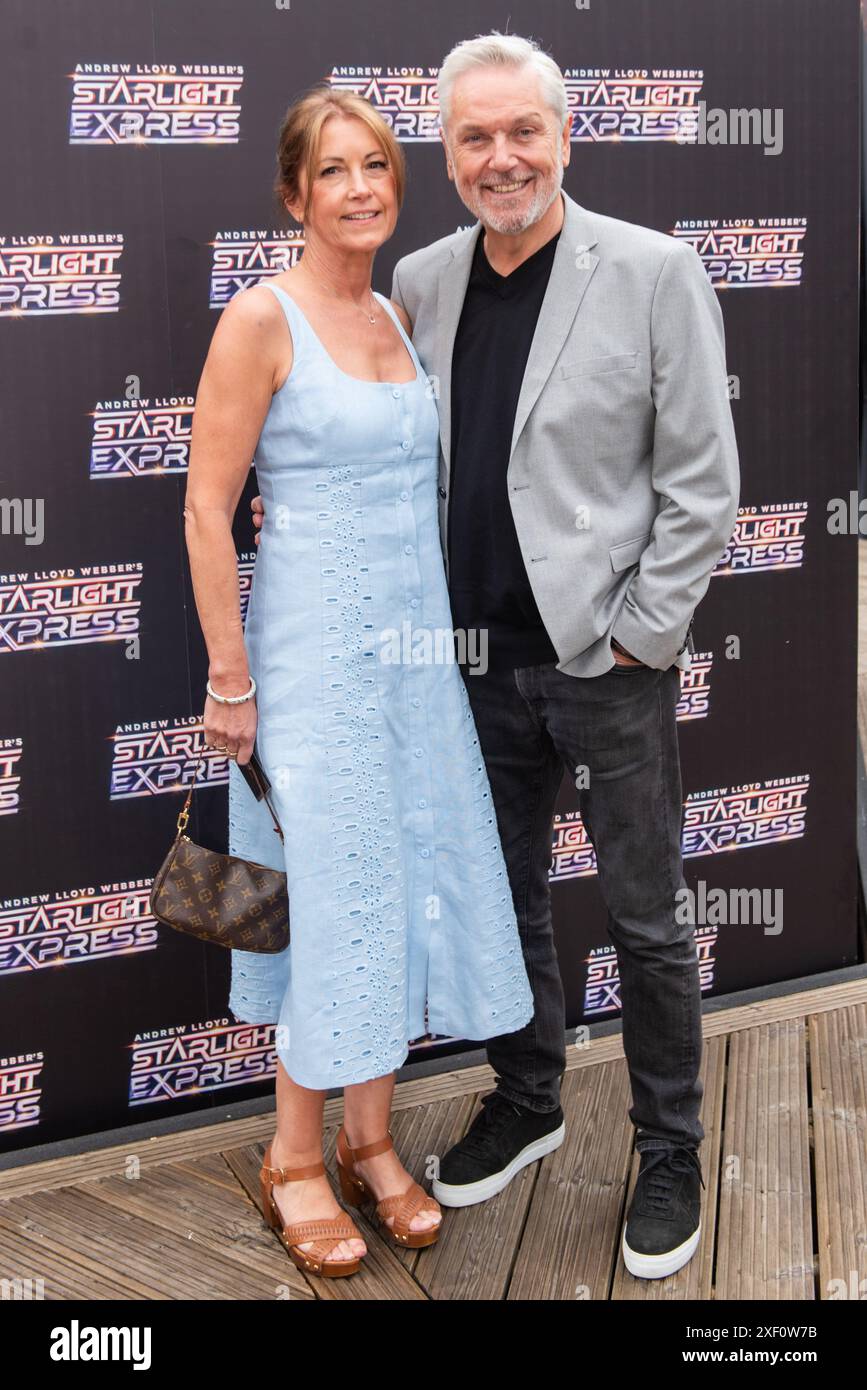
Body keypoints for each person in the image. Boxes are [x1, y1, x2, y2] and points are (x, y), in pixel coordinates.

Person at [251, 32, 740, 1281]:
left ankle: (670, 1149)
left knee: (646, 919)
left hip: (606, 662)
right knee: (508, 897)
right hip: (461, 667)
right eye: (474, 137)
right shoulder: (417, 278)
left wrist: (640, 633)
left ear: (564, 135)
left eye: (523, 131)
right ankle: (531, 1095)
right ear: (451, 157)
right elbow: (361, 431)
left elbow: (702, 484)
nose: (501, 156)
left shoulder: (653, 270)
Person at [183, 83, 535, 1279]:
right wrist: (231, 680)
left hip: (413, 663)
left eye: (376, 166)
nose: (360, 188)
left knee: (401, 882)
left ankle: (373, 1137)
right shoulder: (260, 319)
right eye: (333, 170)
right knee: (324, 900)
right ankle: (294, 1156)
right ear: (294, 194)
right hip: (303, 665)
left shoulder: (396, 315)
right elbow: (203, 505)